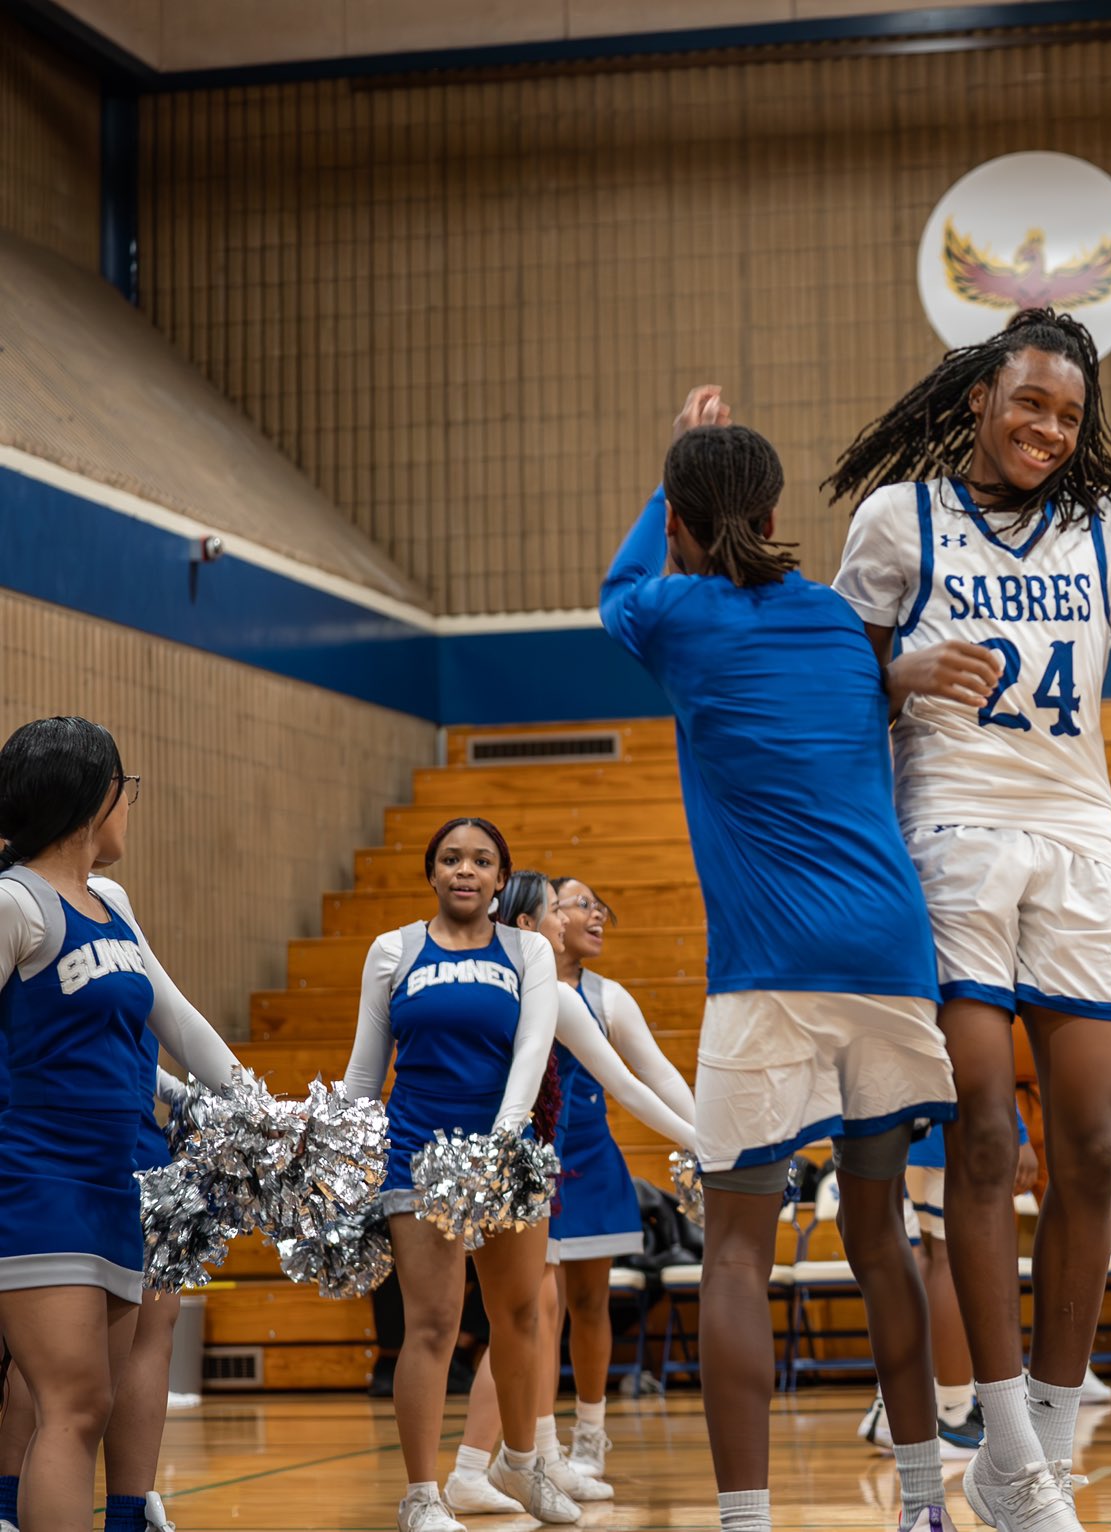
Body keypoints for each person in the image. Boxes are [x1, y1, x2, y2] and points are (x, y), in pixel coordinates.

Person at [827, 307, 1111, 1532]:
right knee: (986, 1131)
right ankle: (994, 1428)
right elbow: (830, 689)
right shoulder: (898, 518)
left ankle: (1032, 1444)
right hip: (947, 838)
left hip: (1080, 846)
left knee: (1094, 1142)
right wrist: (894, 676)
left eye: (1068, 413)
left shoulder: (1109, 529)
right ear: (982, 393)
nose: (1047, 427)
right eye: (1029, 402)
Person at [608, 392, 961, 1532]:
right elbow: (879, 676)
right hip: (893, 955)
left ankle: (747, 1520)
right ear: (768, 511)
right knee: (880, 1238)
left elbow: (615, 588)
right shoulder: (840, 625)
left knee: (734, 1255)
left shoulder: (673, 615)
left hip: (767, 971)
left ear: (682, 528)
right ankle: (921, 1506)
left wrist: (669, 477)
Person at [0, 718, 246, 1532]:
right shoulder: (13, 904)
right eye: (126, 790)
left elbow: (176, 1019)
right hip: (41, 1181)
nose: (129, 807)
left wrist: (267, 1113)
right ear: (94, 798)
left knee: (91, 1402)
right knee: (69, 1405)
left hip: (122, 1182)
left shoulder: (109, 902)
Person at [342, 817, 573, 1532]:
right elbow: (362, 1072)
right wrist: (344, 1165)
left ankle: (523, 1466)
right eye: (450, 859)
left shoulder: (528, 949)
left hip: (505, 1158)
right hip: (416, 1155)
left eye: (480, 860)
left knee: (521, 1315)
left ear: (502, 879)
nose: (464, 870)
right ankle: (420, 1494)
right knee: (434, 1324)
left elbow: (533, 1049)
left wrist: (500, 1144)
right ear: (432, 873)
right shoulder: (393, 951)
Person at [446, 873, 697, 1517]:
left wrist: (705, 1139)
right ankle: (487, 1464)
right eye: (562, 906)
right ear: (531, 924)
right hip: (515, 1165)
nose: (575, 916)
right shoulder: (515, 988)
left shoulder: (574, 994)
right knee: (526, 1311)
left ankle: (540, 1454)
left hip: (546, 1164)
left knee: (540, 1310)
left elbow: (639, 1081)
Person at [858, 1108, 1042, 1459]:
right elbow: (980, 1063)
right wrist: (1017, 1133)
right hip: (949, 1135)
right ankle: (954, 1414)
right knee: (950, 1263)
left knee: (922, 1261)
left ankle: (904, 1405)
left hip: (894, 1135)